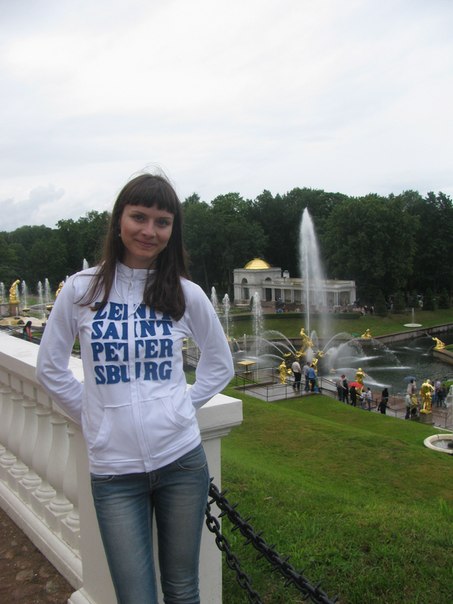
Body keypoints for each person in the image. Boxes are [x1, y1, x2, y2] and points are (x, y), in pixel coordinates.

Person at [36, 172, 234, 604]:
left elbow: (220, 365)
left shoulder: (185, 293)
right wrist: (94, 416)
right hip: (114, 472)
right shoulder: (81, 289)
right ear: (119, 220)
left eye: (162, 222)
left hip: (181, 462)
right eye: (139, 217)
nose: (149, 230)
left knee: (183, 589)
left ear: (172, 230)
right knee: (135, 597)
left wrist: (181, 408)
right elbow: (49, 368)